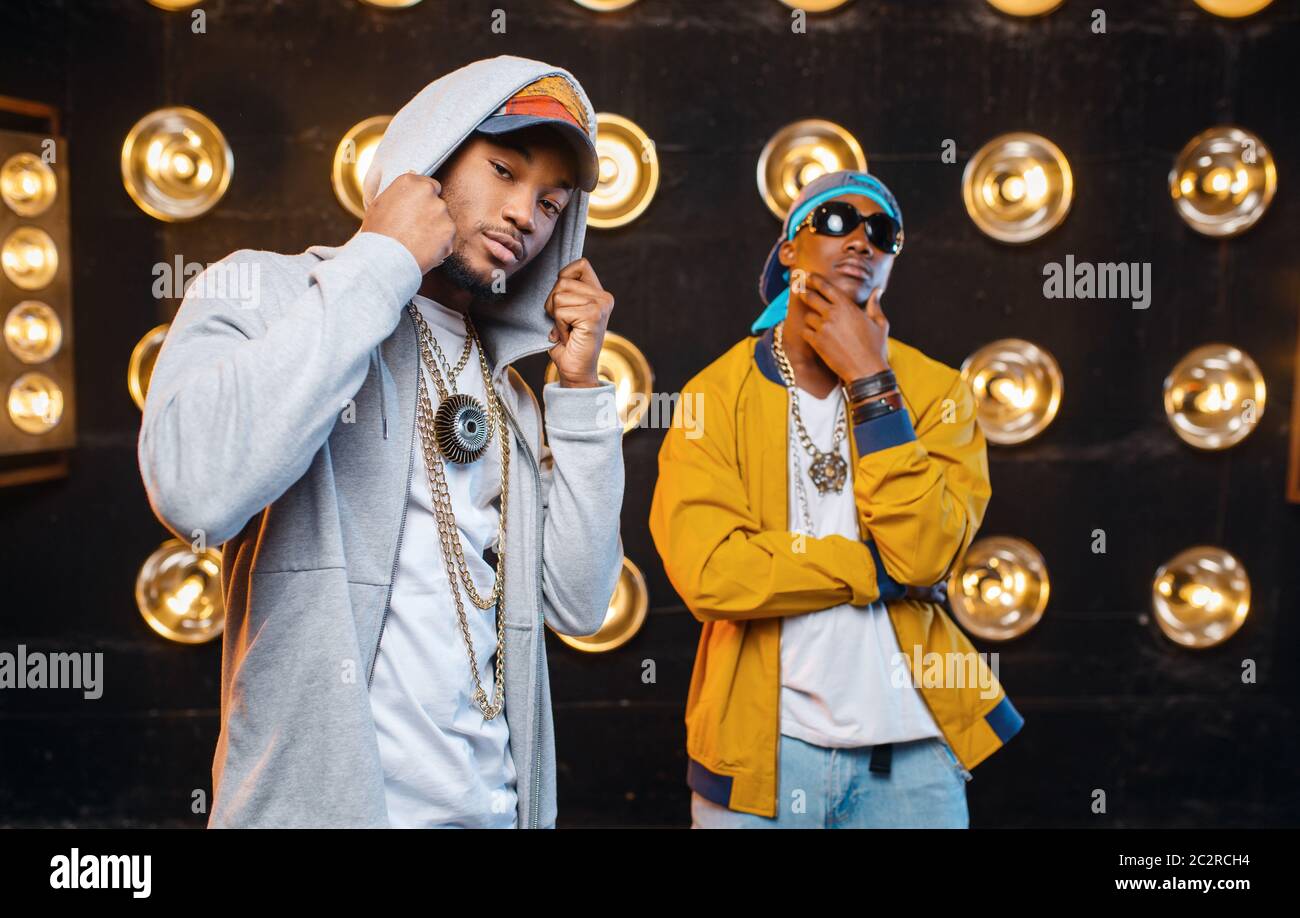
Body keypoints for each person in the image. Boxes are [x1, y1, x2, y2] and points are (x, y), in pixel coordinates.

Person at [138, 55, 625, 828]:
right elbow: (195, 488)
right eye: (503, 169)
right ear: (427, 156)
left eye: (551, 202)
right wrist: (382, 262)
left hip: (494, 812)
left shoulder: (515, 394)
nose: (525, 214)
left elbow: (580, 603)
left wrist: (578, 393)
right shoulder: (265, 293)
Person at [649, 169, 1023, 828]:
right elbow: (711, 576)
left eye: (880, 232)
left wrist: (872, 381)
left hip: (910, 758)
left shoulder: (939, 394)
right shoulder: (715, 395)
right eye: (833, 220)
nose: (859, 240)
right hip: (762, 755)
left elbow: (926, 557)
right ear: (789, 247)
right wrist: (872, 572)